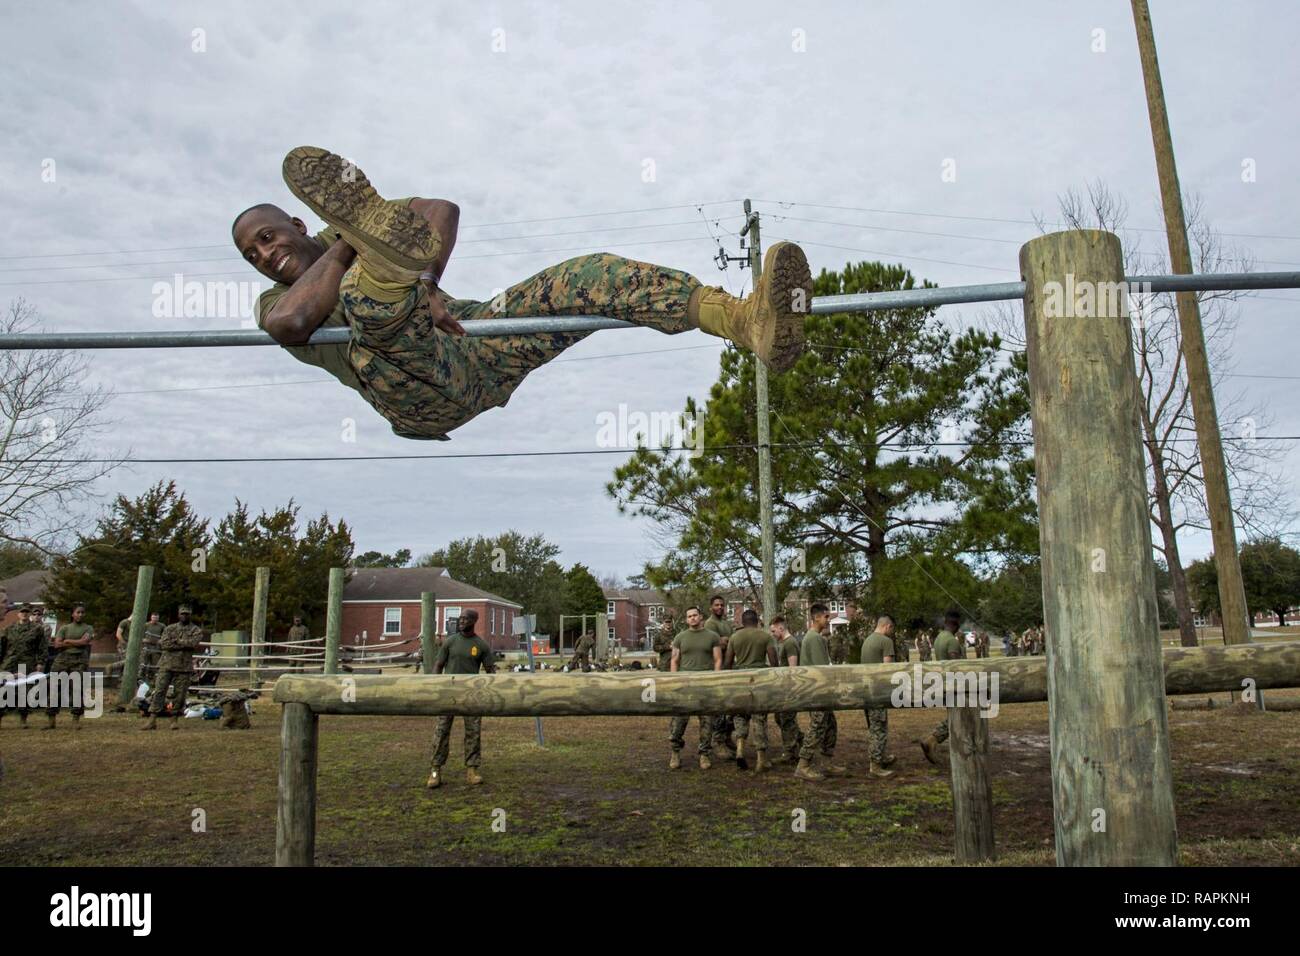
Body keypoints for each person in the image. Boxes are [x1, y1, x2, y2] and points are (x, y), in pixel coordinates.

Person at [233, 147, 811, 443]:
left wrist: (426, 282)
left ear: (298, 224)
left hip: (473, 344)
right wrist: (352, 244)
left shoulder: (350, 240)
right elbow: (291, 323)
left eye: (266, 237)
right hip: (414, 391)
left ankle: (741, 319)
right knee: (367, 296)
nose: (263, 255)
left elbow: (441, 211)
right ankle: (388, 274)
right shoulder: (272, 305)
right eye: (250, 255)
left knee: (586, 276)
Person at [427, 609, 496, 788]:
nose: (461, 621)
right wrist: (436, 686)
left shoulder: (481, 645)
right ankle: (435, 770)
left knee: (473, 732)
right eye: (461, 619)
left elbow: (491, 672)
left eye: (465, 619)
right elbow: (438, 665)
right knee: (441, 731)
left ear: (474, 621)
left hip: (471, 696)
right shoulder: (450, 642)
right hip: (449, 694)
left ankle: (472, 770)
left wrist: (490, 691)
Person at [794, 603, 846, 781]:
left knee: (830, 725)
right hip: (817, 692)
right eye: (826, 616)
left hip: (820, 691)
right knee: (817, 727)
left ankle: (826, 762)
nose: (828, 619)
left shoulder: (815, 637)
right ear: (816, 617)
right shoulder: (814, 638)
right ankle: (803, 765)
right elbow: (821, 669)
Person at [667, 606, 722, 770]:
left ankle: (704, 754)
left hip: (706, 685)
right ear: (686, 619)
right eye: (689, 616)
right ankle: (675, 753)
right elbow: (674, 661)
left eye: (695, 615)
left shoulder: (712, 636)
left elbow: (718, 659)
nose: (692, 618)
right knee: (678, 723)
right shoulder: (680, 637)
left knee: (707, 722)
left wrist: (716, 678)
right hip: (685, 685)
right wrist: (674, 681)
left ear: (701, 617)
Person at [725, 609, 778, 772]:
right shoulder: (765, 636)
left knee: (740, 716)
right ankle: (761, 759)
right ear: (757, 621)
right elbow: (774, 662)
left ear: (742, 622)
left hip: (741, 679)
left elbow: (727, 663)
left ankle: (740, 748)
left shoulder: (734, 637)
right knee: (759, 718)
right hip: (759, 680)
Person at [143, 604, 206, 731]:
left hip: (184, 667)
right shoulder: (169, 628)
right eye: (182, 613)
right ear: (178, 615)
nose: (184, 616)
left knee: (180, 695)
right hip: (166, 665)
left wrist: (177, 641)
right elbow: (165, 644)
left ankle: (174, 720)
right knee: (159, 691)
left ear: (190, 615)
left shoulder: (196, 630)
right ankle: (152, 720)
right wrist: (182, 644)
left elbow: (193, 644)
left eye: (187, 614)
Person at [918, 610, 965, 764]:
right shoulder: (952, 641)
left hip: (943, 682)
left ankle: (935, 740)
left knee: (956, 715)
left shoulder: (939, 638)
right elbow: (955, 665)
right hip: (954, 684)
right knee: (960, 715)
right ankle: (933, 740)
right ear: (956, 623)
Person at [858, 615, 898, 778]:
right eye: (892, 629)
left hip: (866, 691)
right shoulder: (886, 642)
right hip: (878, 692)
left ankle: (881, 756)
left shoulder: (867, 640)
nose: (892, 632)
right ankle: (875, 766)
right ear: (887, 626)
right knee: (879, 728)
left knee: (874, 726)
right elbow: (887, 669)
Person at [0, 604, 47, 729]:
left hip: (27, 663)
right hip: (9, 663)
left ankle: (23, 719)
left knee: (24, 692)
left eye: (27, 612)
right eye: (22, 612)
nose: (24, 614)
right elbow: (2, 647)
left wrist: (40, 662)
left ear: (30, 614)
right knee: (3, 691)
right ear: (18, 614)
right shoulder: (9, 629)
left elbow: (42, 647)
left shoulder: (37, 629)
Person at [702, 595, 737, 759]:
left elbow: (730, 643)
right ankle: (718, 743)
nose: (720, 607)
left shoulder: (725, 623)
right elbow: (718, 644)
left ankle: (727, 738)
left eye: (722, 605)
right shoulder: (710, 623)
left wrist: (727, 641)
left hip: (728, 669)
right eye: (716, 605)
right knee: (719, 709)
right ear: (711, 607)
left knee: (730, 708)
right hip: (717, 669)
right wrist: (726, 641)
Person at [770, 616, 805, 763]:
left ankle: (790, 752)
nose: (772, 634)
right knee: (781, 718)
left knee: (786, 719)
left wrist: (791, 690)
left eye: (773, 631)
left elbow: (793, 669)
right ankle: (800, 740)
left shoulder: (790, 643)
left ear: (781, 628)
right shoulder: (784, 643)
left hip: (789, 689)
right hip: (783, 688)